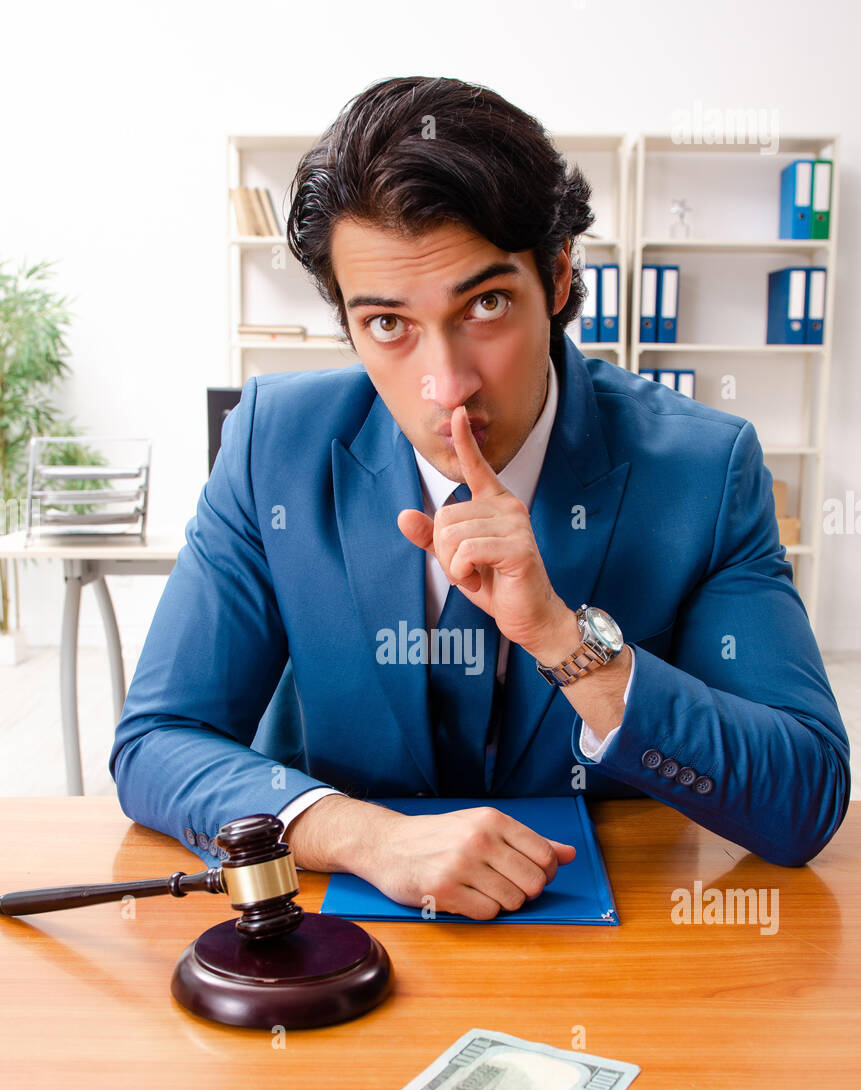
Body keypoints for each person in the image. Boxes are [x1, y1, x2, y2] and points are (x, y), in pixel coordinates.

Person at [109, 76, 850, 919]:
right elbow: (156, 743)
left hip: (619, 953)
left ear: (560, 278)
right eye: (388, 324)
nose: (446, 386)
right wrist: (364, 835)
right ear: (349, 324)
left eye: (486, 304)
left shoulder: (703, 469)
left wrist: (565, 643)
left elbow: (803, 801)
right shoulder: (271, 443)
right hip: (337, 936)